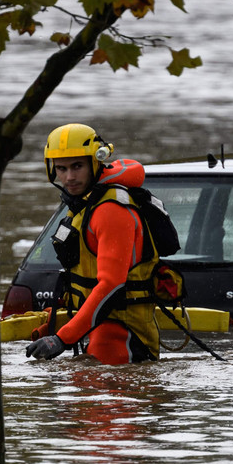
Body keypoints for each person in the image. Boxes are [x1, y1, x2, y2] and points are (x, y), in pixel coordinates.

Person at [26, 123, 164, 365]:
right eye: (61, 168)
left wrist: (62, 338)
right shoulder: (84, 203)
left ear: (95, 162)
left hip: (122, 337)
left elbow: (111, 286)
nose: (69, 177)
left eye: (77, 166)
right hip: (96, 330)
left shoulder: (111, 210)